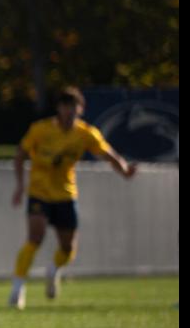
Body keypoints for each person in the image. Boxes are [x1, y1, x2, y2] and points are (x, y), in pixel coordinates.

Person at [9, 86, 136, 309]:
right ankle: (18, 289)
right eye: (65, 106)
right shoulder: (40, 130)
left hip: (66, 194)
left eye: (73, 107)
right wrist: (20, 186)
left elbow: (108, 154)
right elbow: (20, 155)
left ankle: (54, 269)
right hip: (39, 192)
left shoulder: (86, 134)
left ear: (81, 109)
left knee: (67, 249)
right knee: (34, 238)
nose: (68, 112)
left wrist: (124, 170)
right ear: (58, 108)